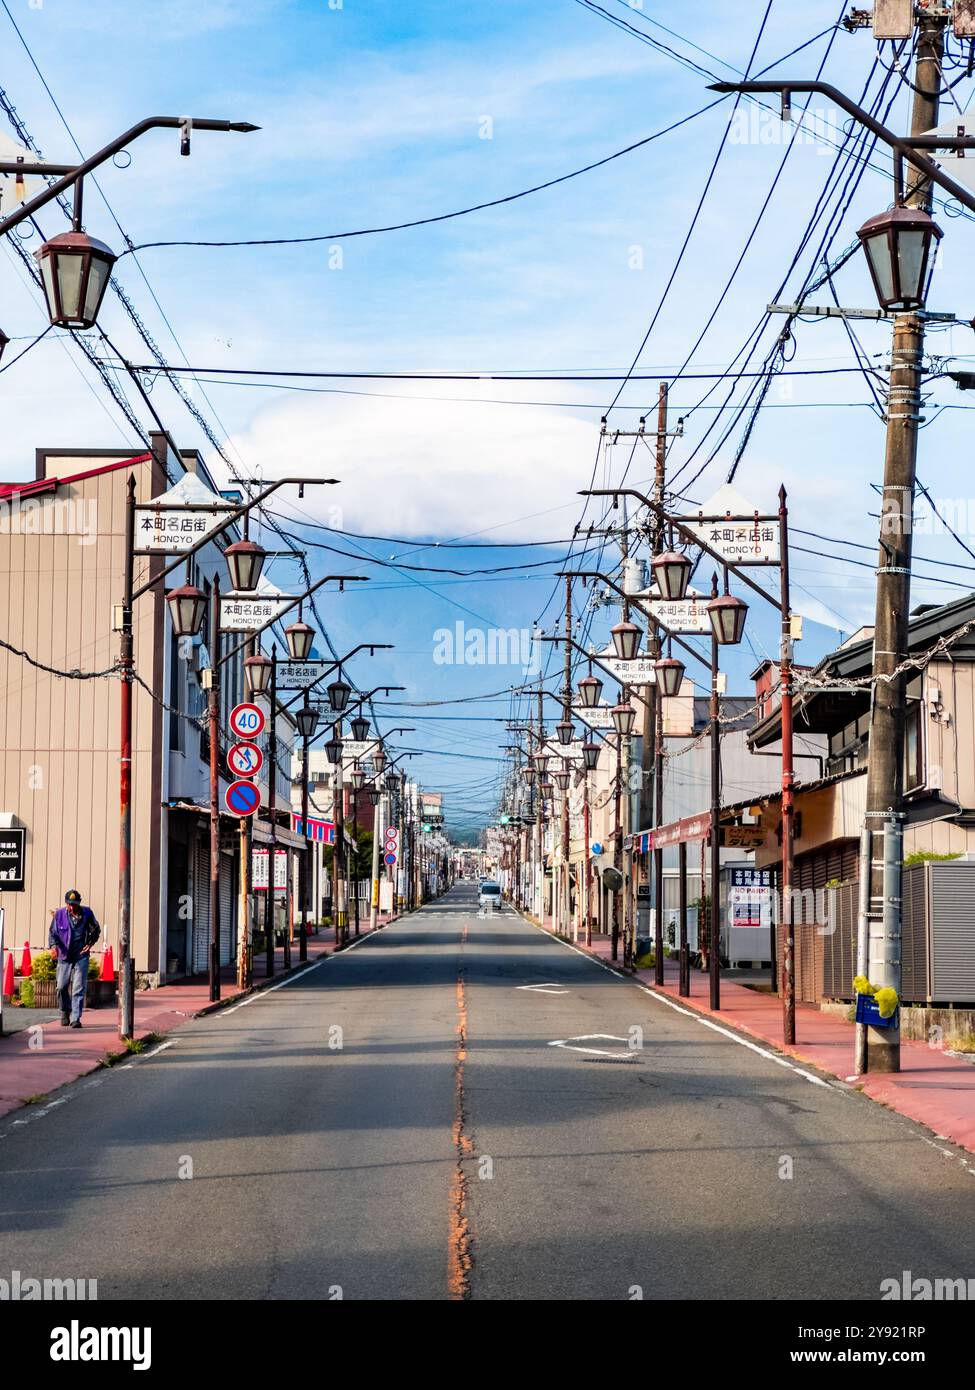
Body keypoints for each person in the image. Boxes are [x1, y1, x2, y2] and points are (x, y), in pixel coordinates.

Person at [49, 890, 100, 1029]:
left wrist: (90, 943)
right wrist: (53, 947)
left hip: (81, 956)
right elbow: (53, 934)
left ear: (79, 903)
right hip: (64, 955)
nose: (72, 907)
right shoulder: (59, 915)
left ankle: (76, 1018)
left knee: (78, 987)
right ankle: (65, 1011)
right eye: (69, 904)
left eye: (75, 904)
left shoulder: (87, 913)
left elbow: (96, 929)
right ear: (66, 904)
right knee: (61, 987)